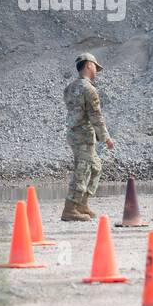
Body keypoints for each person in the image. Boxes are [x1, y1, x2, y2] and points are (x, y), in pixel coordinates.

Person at [61, 52, 114, 222]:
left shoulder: (69, 88)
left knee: (96, 167)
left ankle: (82, 204)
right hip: (82, 136)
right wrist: (106, 137)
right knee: (82, 170)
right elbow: (95, 116)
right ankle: (70, 208)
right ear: (88, 65)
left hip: (75, 134)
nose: (96, 71)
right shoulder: (88, 89)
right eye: (95, 67)